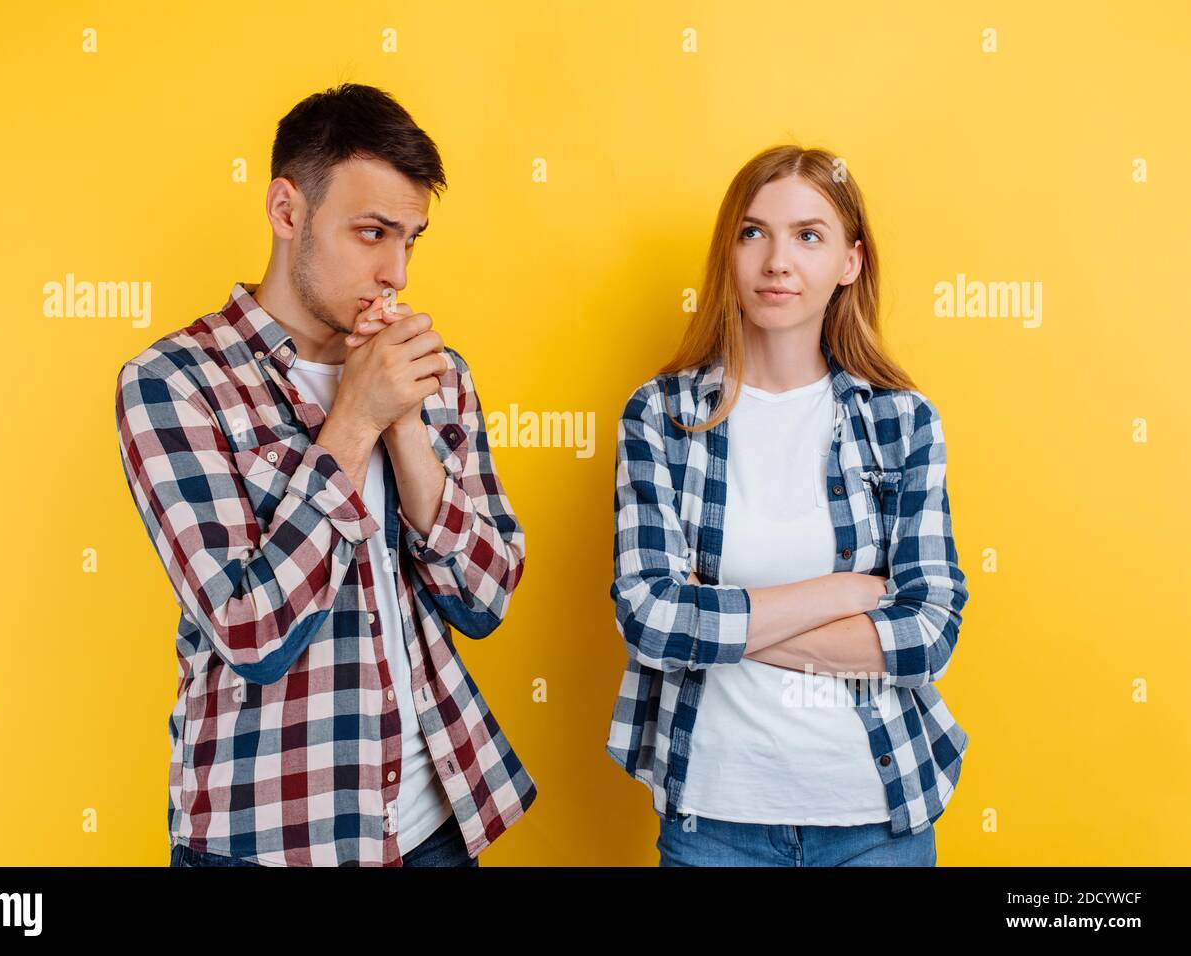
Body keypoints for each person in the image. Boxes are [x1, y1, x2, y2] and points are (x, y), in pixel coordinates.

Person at [114, 83, 536, 867]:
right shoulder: (175, 383)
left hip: (432, 826)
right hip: (269, 838)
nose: (397, 272)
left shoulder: (433, 376)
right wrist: (354, 420)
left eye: (411, 239)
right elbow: (250, 633)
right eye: (371, 233)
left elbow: (486, 599)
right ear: (286, 212)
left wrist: (405, 425)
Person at [606, 145, 969, 866]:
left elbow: (927, 635)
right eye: (753, 232)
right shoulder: (662, 414)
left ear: (850, 262)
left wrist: (717, 616)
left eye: (808, 235)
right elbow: (648, 618)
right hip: (713, 817)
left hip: (878, 816)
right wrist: (841, 595)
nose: (777, 261)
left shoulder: (902, 421)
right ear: (728, 254)